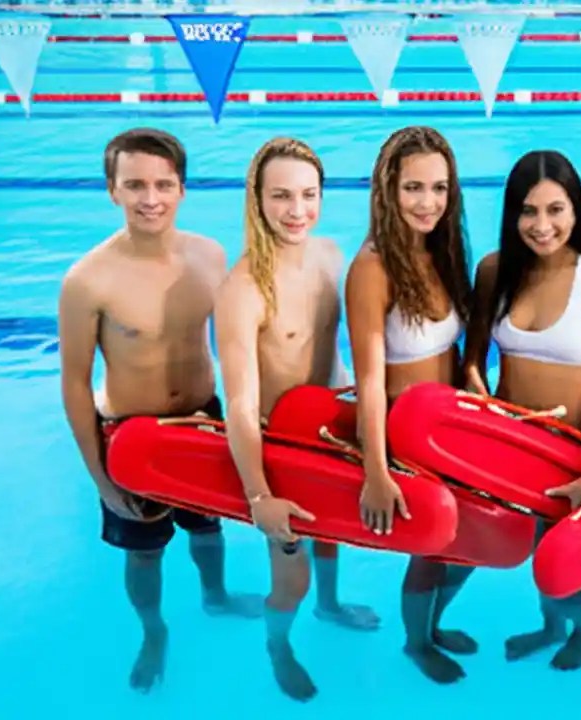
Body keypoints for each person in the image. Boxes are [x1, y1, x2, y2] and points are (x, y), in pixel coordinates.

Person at [58, 127, 262, 694]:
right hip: (131, 435)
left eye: (163, 184)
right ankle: (153, 631)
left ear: (182, 189)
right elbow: (74, 384)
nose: (151, 198)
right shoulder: (87, 280)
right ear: (112, 190)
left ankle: (216, 596)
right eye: (135, 185)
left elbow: (239, 343)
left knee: (208, 526)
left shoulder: (209, 255)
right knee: (144, 553)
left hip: (202, 418)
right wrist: (100, 480)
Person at [214, 137, 381, 702]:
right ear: (257, 199)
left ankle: (330, 607)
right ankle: (278, 645)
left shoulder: (330, 256)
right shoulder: (242, 290)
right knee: (291, 579)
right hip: (280, 451)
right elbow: (239, 403)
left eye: (309, 195)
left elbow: (338, 354)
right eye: (281, 196)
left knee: (332, 540)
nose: (296, 210)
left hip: (328, 433)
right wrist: (259, 495)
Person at [463, 149, 581, 672]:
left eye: (555, 210)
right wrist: (479, 398)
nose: (542, 226)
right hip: (508, 445)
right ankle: (553, 626)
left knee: (551, 554)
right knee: (504, 544)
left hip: (569, 452)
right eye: (528, 211)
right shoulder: (495, 270)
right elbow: (473, 359)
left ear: (576, 210)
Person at [345, 126, 476, 684]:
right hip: (406, 436)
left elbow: (456, 349)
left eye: (439, 188)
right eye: (413, 188)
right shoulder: (373, 268)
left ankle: (433, 623)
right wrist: (376, 472)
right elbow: (369, 381)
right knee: (434, 544)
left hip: (453, 429)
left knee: (474, 541)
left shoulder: (441, 250)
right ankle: (417, 642)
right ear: (388, 191)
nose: (428, 202)